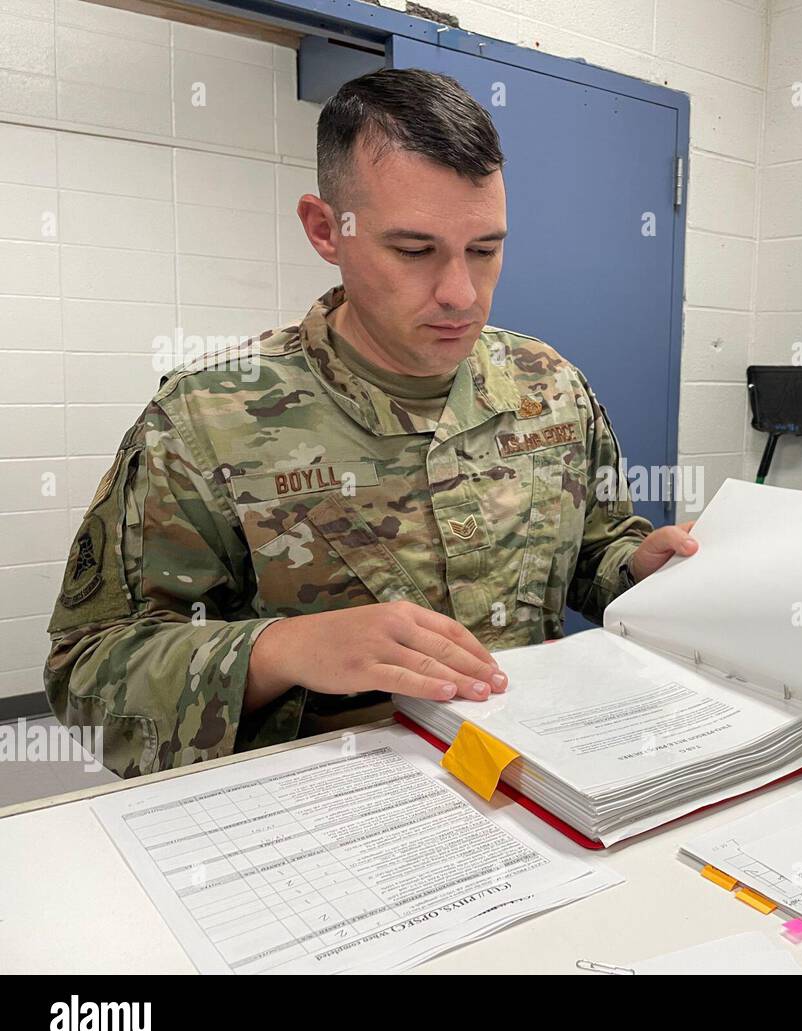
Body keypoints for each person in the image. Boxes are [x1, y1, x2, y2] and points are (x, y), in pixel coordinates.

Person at [44, 68, 696, 778]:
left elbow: (594, 550)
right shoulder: (207, 420)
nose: (460, 293)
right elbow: (89, 675)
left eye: (485, 249)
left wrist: (635, 567)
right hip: (325, 821)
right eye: (414, 251)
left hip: (532, 788)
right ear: (327, 230)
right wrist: (282, 650)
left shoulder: (551, 387)